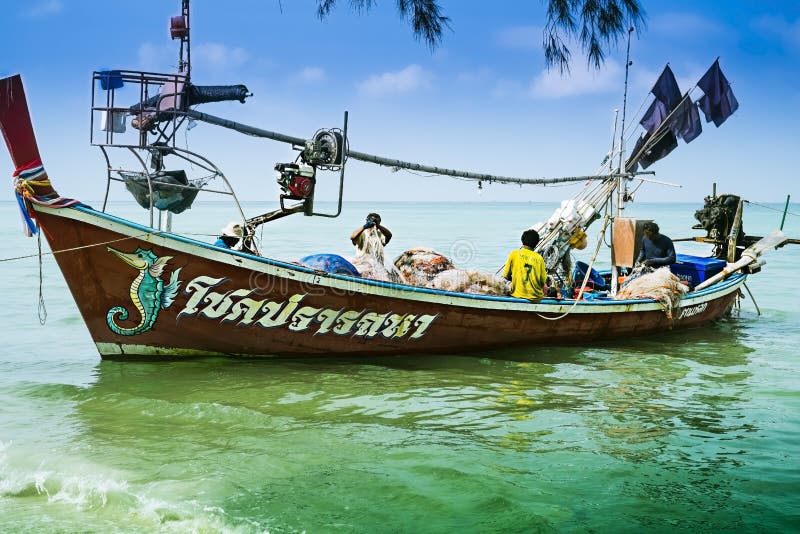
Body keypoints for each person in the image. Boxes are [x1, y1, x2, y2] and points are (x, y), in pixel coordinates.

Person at [503, 229, 547, 300]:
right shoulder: (539, 258)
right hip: (535, 297)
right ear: (536, 243)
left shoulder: (513, 254)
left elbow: (505, 276)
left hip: (516, 295)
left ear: (522, 240)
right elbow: (542, 282)